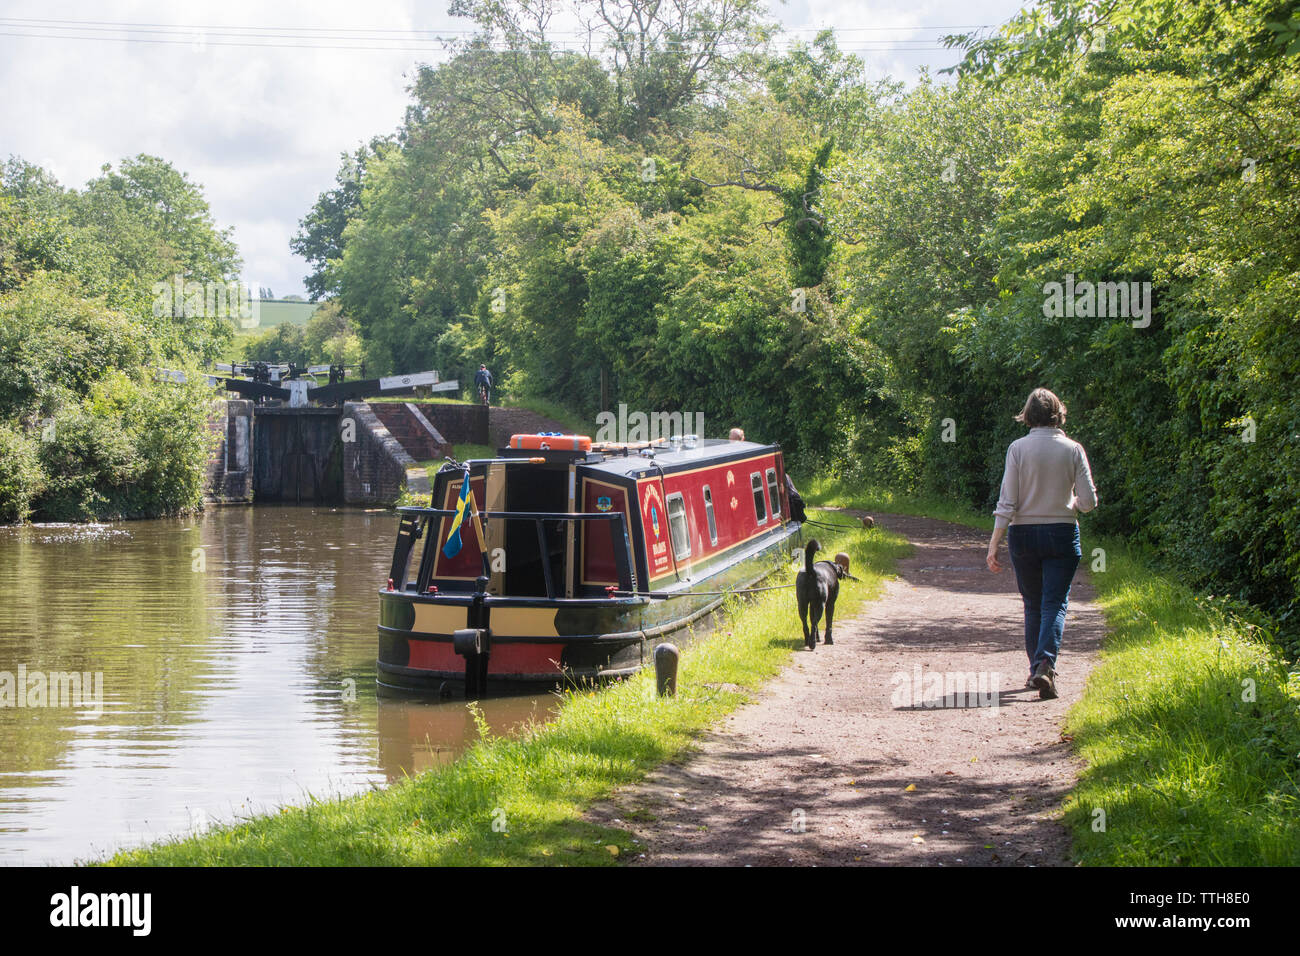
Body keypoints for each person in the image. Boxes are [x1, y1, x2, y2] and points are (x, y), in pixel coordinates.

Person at [986, 388, 1097, 700]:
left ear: (1028, 415)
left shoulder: (1017, 449)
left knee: (1033, 604)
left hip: (1023, 535)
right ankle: (1044, 665)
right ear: (1058, 413)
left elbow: (1007, 501)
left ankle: (1037, 667)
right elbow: (1088, 503)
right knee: (1054, 602)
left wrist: (994, 542)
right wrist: (1071, 502)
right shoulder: (1073, 449)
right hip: (1062, 532)